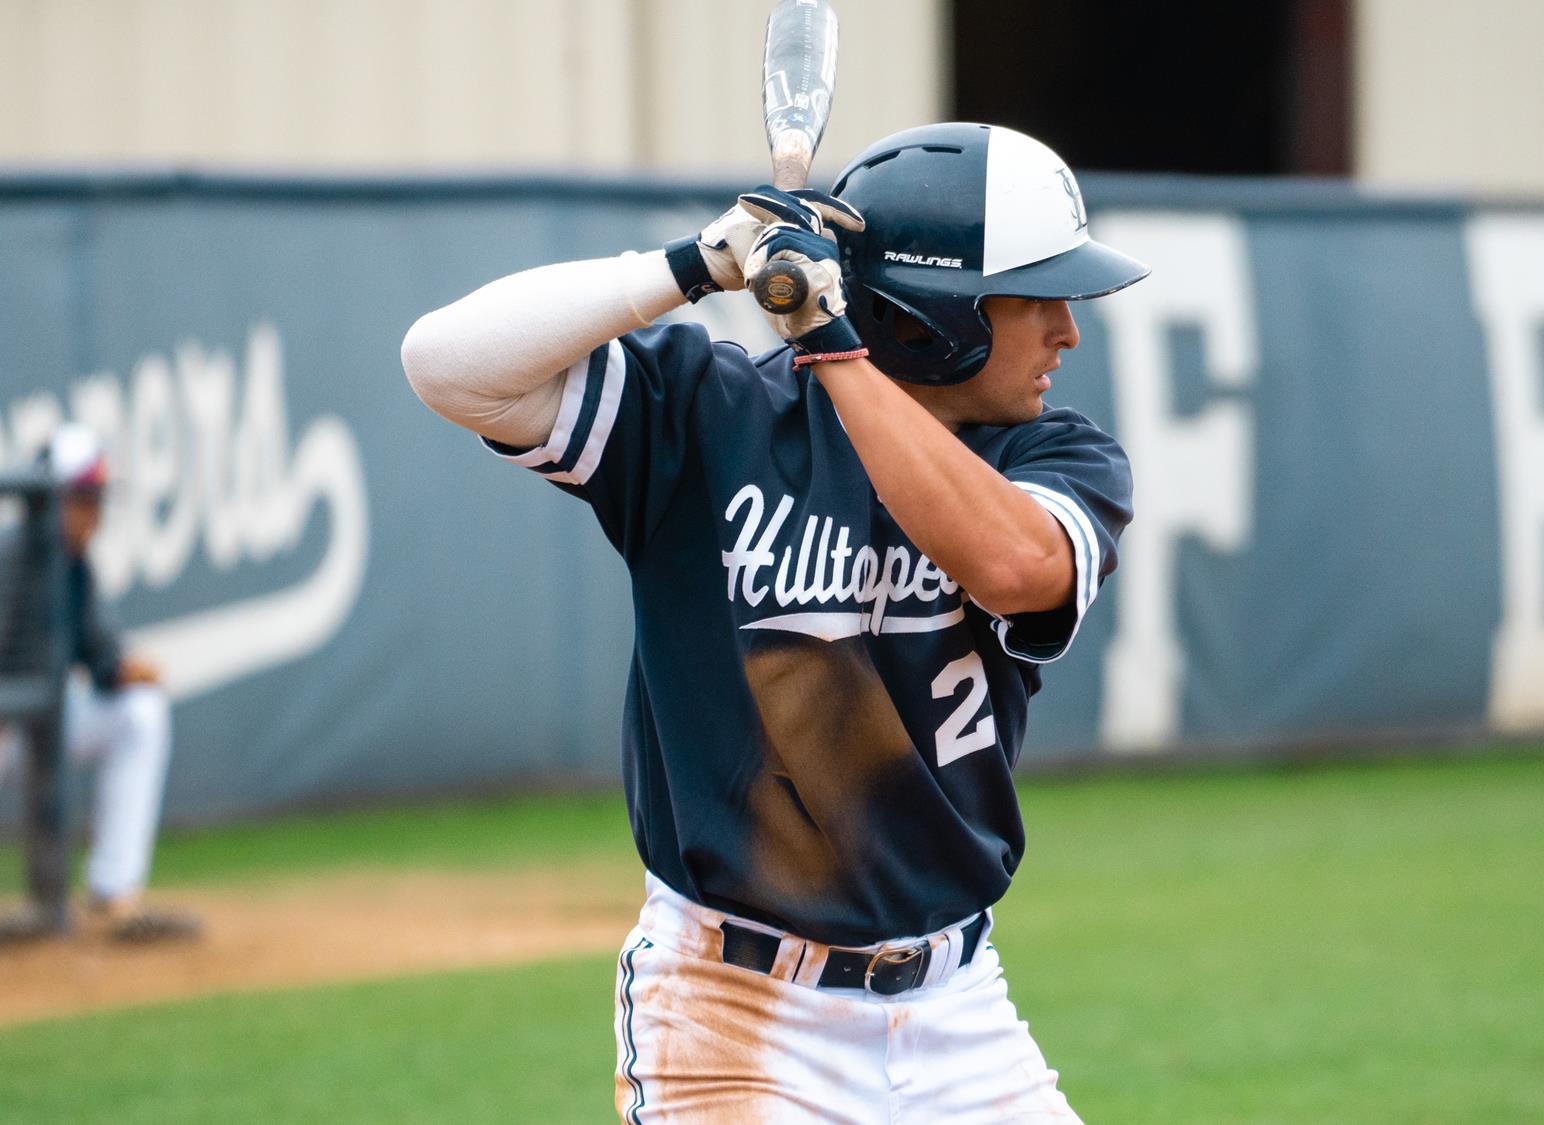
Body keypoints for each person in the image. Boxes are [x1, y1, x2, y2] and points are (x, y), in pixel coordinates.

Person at [403, 122, 1145, 1122]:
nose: (1067, 328)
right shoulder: (708, 415)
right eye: (1033, 296)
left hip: (958, 1007)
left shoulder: (1054, 455)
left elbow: (1014, 566)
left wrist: (832, 346)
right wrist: (696, 263)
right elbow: (445, 364)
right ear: (940, 316)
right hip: (730, 1011)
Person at [0, 424, 197, 944]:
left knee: (139, 712)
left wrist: (126, 668)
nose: (95, 511)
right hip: (8, 729)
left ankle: (114, 891)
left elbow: (102, 662)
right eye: (83, 497)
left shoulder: (75, 567)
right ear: (51, 501)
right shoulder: (9, 558)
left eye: (97, 498)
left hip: (35, 731)